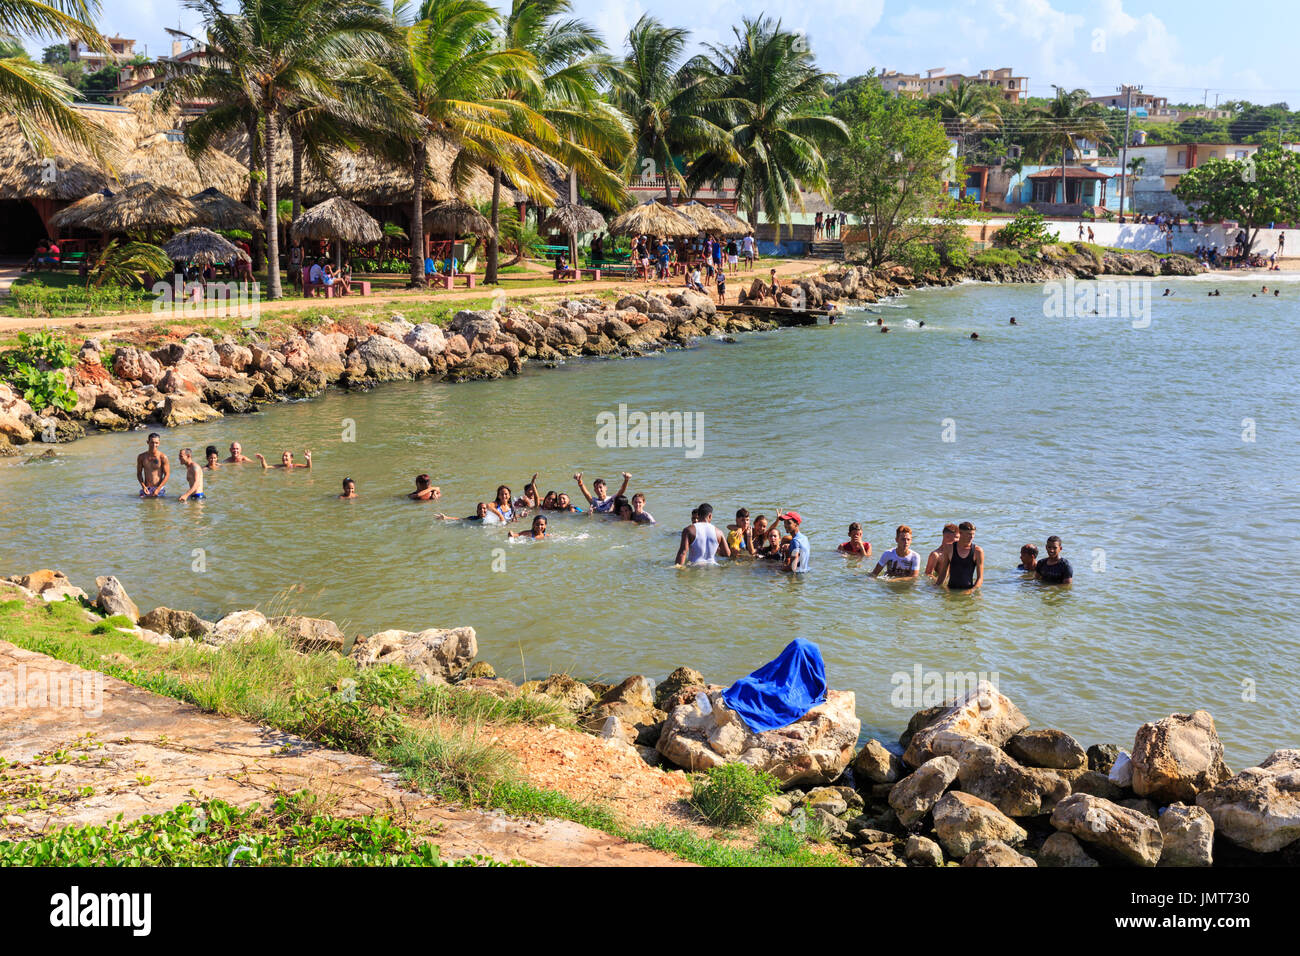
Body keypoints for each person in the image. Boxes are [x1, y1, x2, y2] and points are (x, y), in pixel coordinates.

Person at [675, 502, 732, 566]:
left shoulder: (689, 530)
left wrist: (678, 570)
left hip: (695, 566)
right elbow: (727, 554)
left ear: (698, 515)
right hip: (713, 567)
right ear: (710, 516)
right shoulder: (719, 532)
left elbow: (683, 552)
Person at [934, 521, 983, 590]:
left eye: (973, 534)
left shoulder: (978, 551)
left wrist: (971, 590)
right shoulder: (949, 548)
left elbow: (980, 578)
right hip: (951, 590)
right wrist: (936, 587)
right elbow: (943, 572)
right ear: (960, 533)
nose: (971, 537)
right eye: (969, 534)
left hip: (968, 591)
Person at [136, 433, 170, 497]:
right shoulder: (141, 457)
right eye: (152, 442)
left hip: (159, 488)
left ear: (159, 443)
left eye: (156, 443)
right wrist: (143, 486)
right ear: (147, 442)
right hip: (146, 488)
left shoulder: (162, 457)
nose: (154, 445)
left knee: (158, 505)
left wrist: (158, 489)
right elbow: (139, 473)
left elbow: (167, 474)